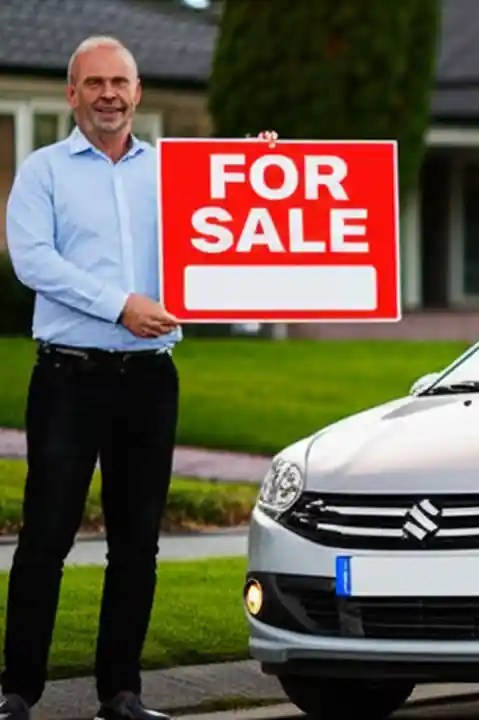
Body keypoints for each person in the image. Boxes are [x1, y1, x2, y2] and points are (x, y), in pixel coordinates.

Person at [0, 36, 274, 720]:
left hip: (150, 383)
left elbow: (235, 213)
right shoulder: (45, 172)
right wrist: (119, 304)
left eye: (119, 81)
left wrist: (262, 164)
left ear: (138, 90)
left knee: (137, 544)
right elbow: (32, 260)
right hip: (68, 379)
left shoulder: (175, 174)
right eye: (93, 83)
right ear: (71, 94)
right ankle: (17, 693)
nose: (108, 95)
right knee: (45, 540)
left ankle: (121, 694)